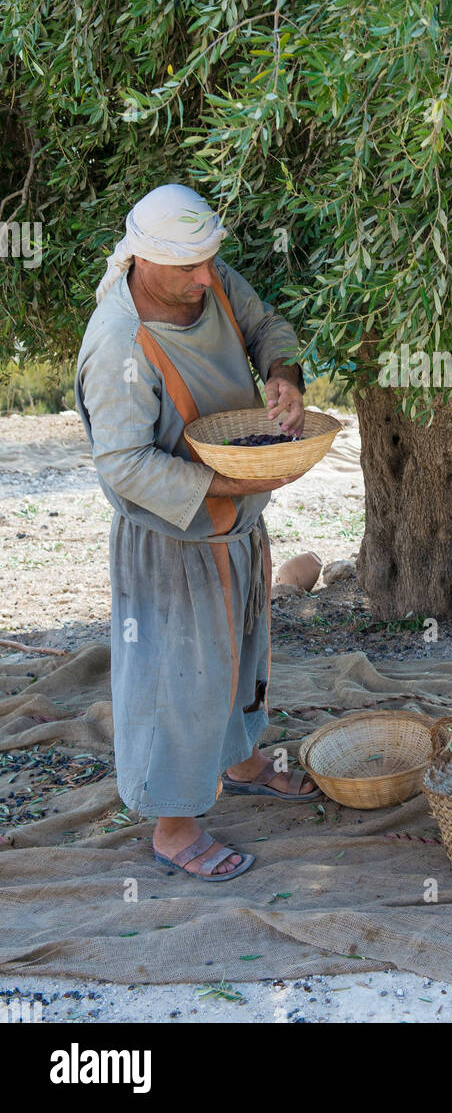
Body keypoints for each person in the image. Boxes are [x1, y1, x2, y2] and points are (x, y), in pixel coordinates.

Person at [75, 183, 319, 882]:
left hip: (235, 521)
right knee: (176, 681)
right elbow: (122, 464)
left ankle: (240, 761)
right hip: (171, 541)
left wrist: (283, 376)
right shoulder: (120, 343)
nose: (207, 278)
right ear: (144, 258)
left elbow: (266, 324)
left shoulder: (201, 277)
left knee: (243, 655)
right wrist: (229, 484)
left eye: (211, 262)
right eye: (190, 268)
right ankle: (174, 827)